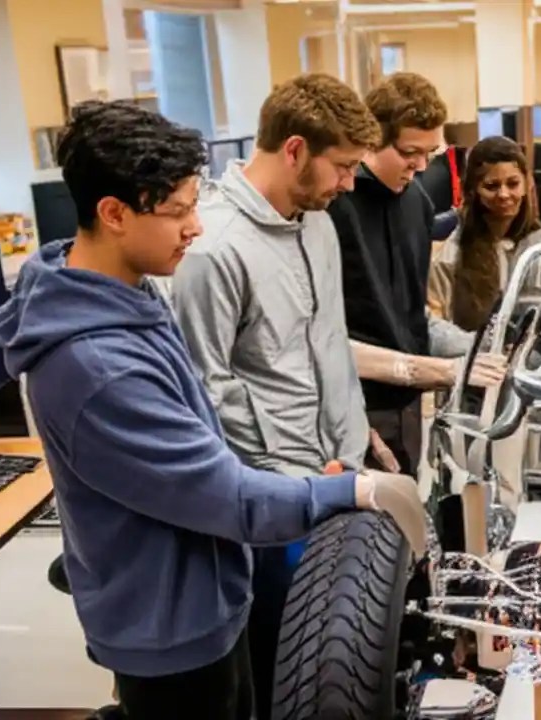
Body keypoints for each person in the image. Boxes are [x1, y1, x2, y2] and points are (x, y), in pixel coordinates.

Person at [0, 100, 422, 720]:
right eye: (178, 211)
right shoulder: (98, 368)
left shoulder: (129, 296)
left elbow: (201, 443)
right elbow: (223, 495)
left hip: (207, 595)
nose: (196, 227)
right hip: (170, 635)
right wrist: (346, 491)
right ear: (114, 214)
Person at [164, 73, 398, 720]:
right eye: (342, 166)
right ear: (295, 150)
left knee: (339, 668)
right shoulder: (212, 249)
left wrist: (356, 433)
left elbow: (327, 342)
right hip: (274, 502)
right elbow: (207, 388)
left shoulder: (317, 223)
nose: (349, 183)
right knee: (283, 679)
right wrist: (293, 478)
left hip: (340, 477)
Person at [327, 72, 504, 475]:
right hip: (352, 408)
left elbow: (412, 318)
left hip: (406, 409)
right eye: (410, 152)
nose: (421, 166)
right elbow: (321, 338)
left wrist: (478, 350)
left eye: (430, 153)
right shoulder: (334, 207)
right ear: (373, 139)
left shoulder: (417, 204)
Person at [428, 136, 541, 333]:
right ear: (473, 191)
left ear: (527, 185)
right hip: (472, 349)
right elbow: (436, 330)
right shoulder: (449, 259)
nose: (503, 194)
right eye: (492, 186)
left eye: (513, 184)